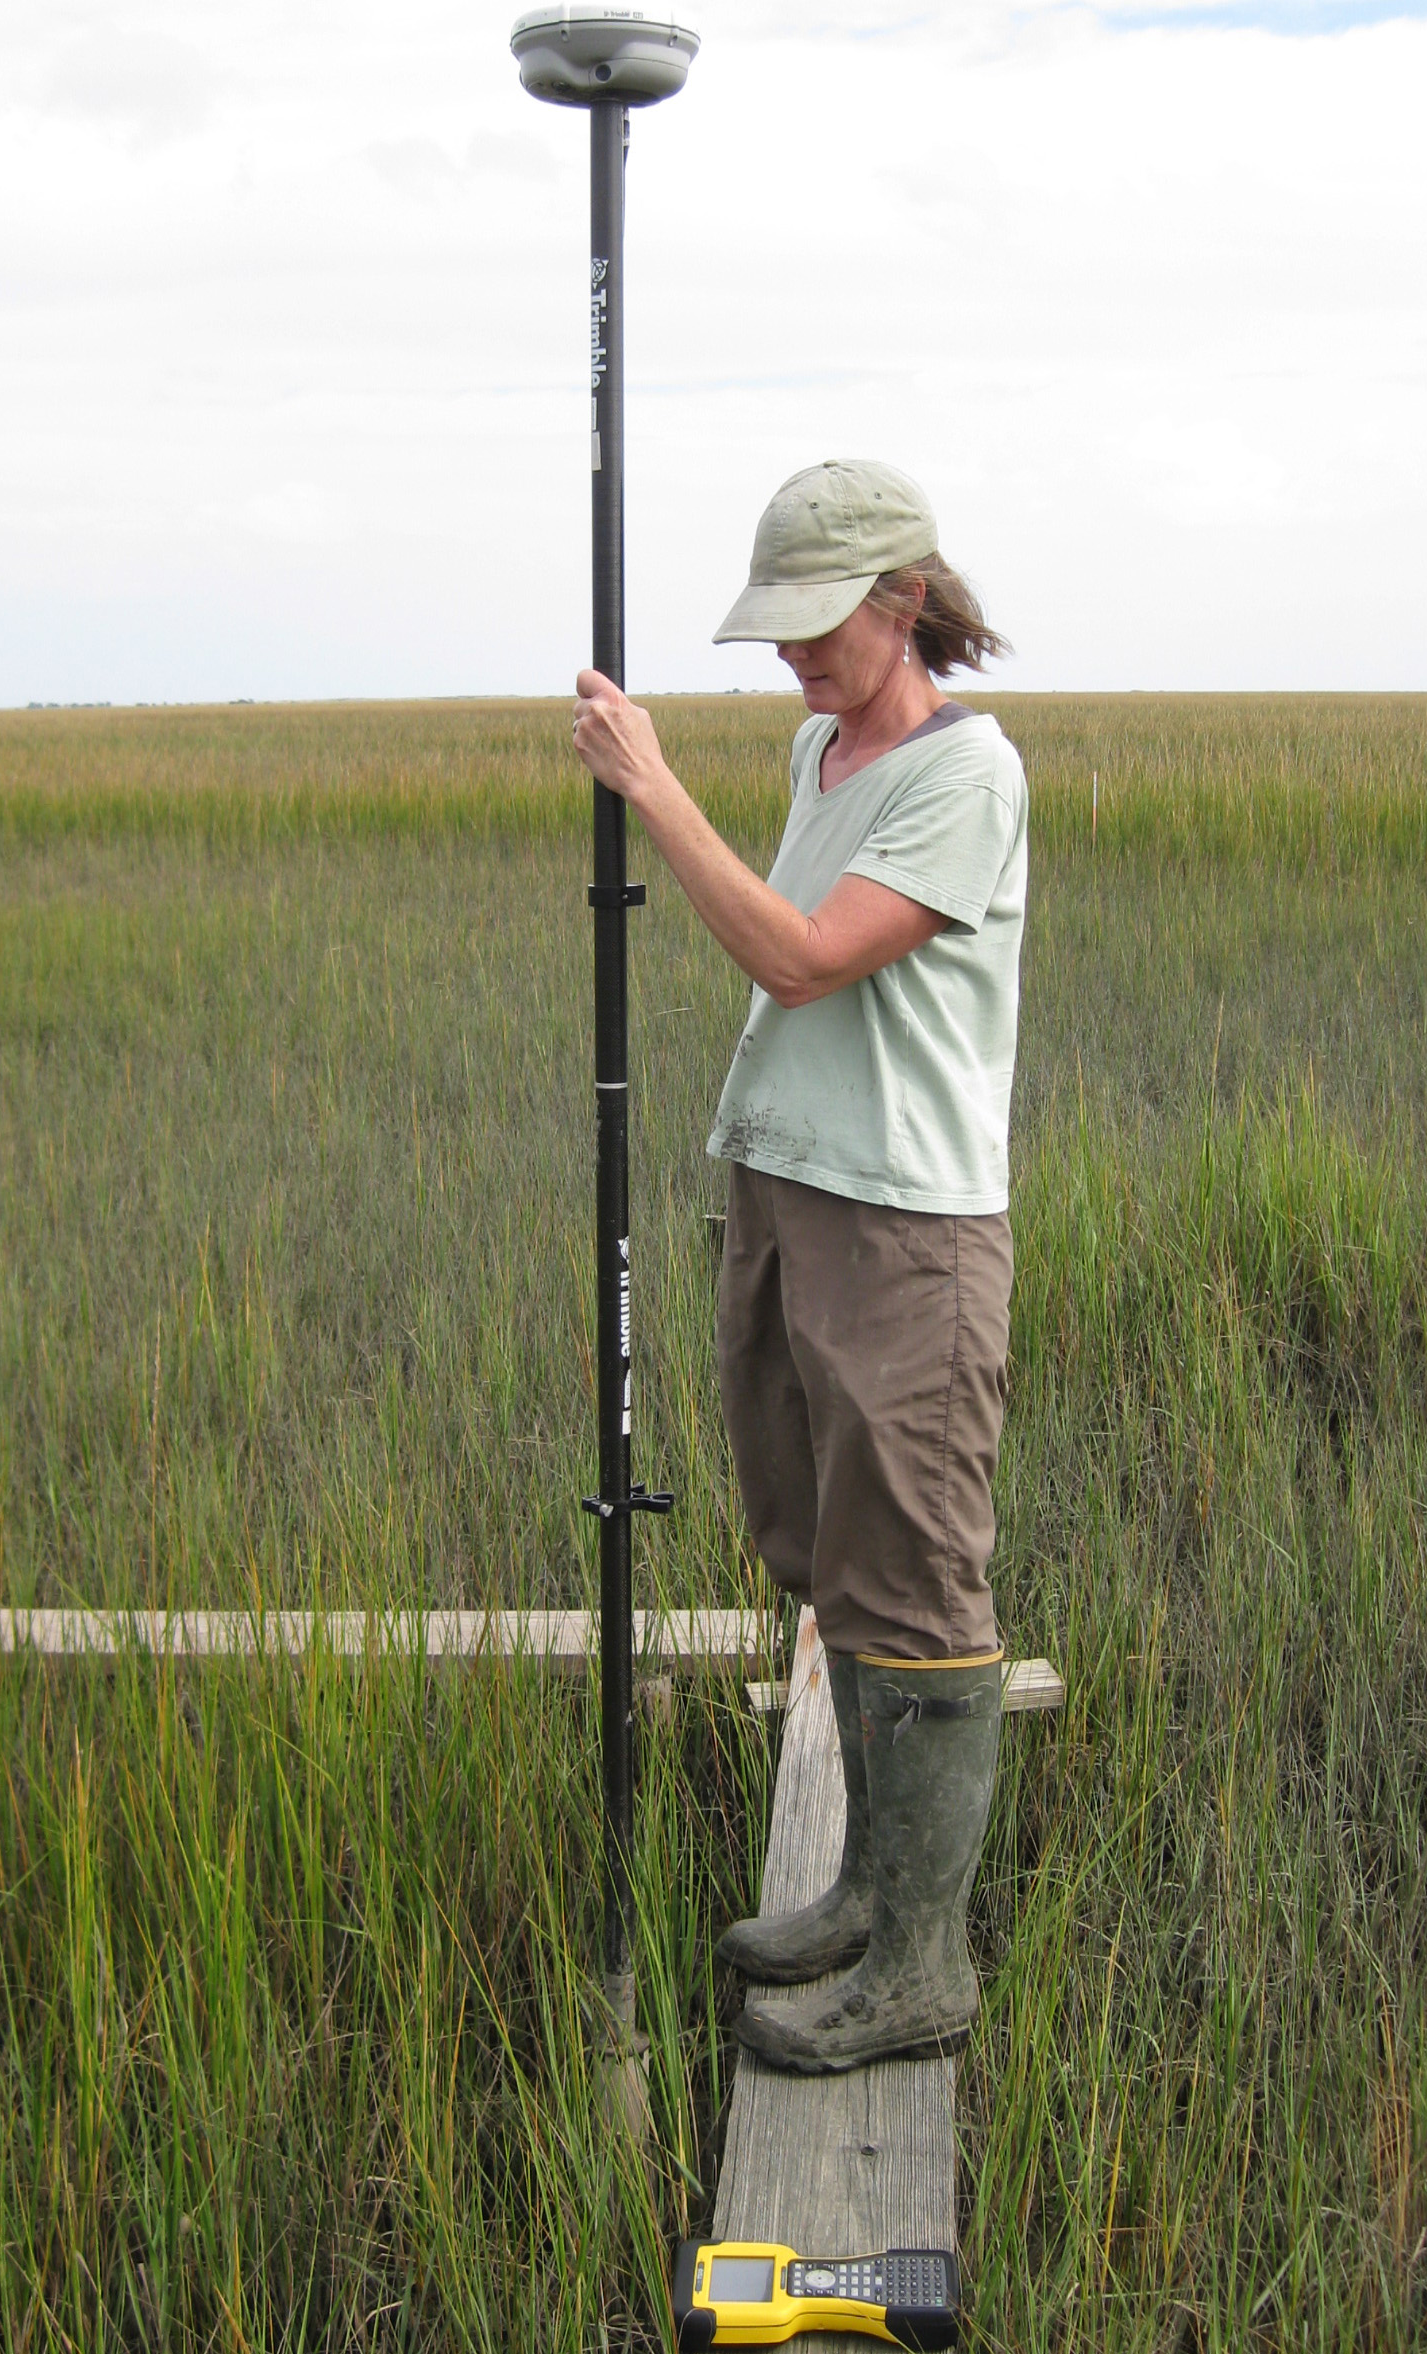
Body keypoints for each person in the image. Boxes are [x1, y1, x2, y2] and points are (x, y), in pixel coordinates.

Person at [570, 458, 1027, 2075]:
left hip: (907, 1225)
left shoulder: (969, 777)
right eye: (779, 633)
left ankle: (920, 1961)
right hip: (786, 1193)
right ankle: (860, 1891)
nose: (793, 660)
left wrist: (650, 789)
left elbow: (803, 954)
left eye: (818, 627)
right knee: (826, 1555)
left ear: (902, 601)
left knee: (913, 1574)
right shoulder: (818, 745)